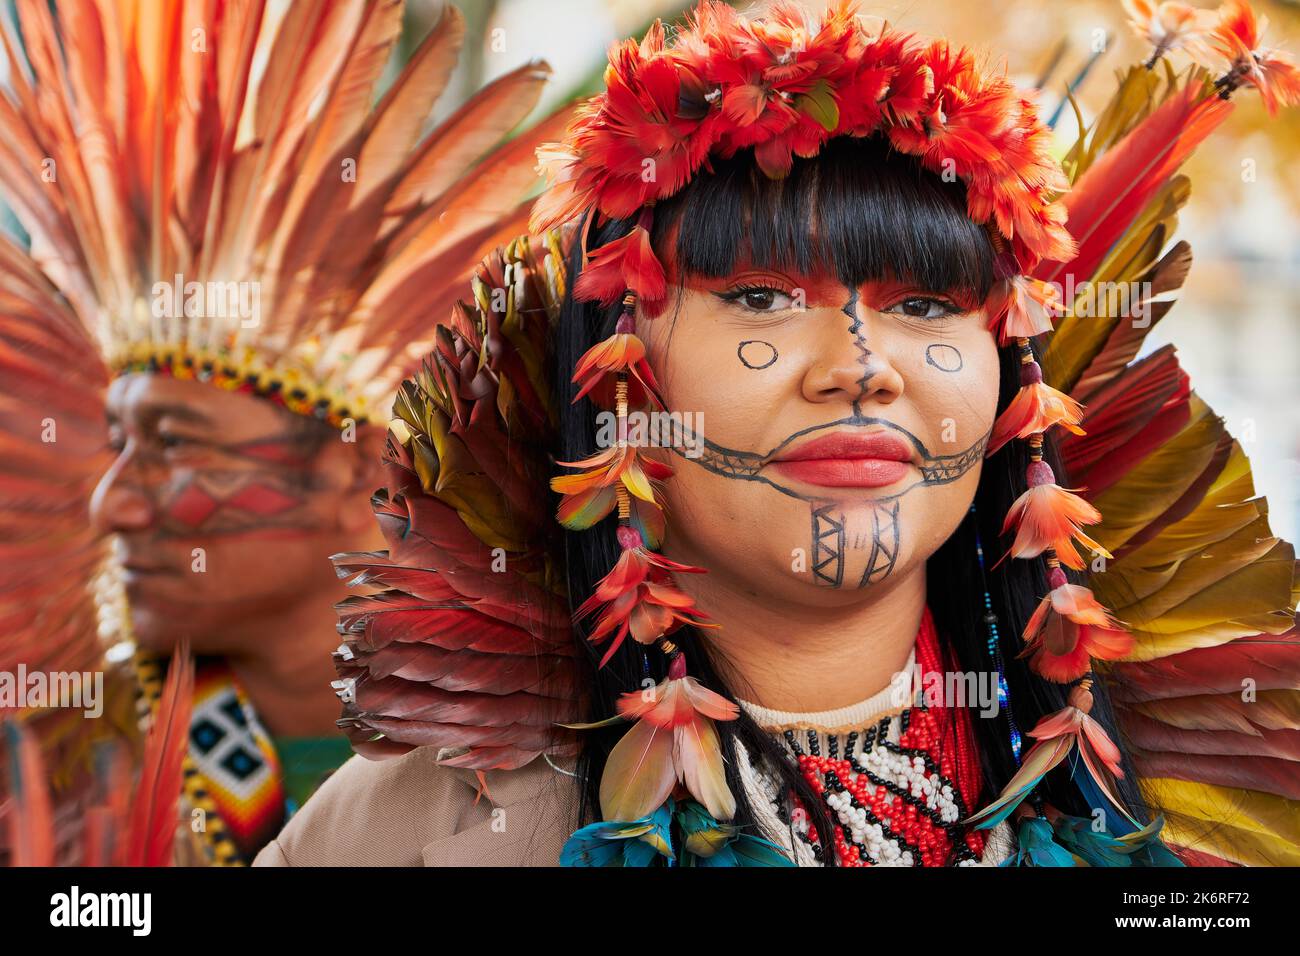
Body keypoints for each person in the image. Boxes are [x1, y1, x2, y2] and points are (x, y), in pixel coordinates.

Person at [257, 0, 1299, 867]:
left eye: (929, 308)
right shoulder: (400, 833)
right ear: (618, 376)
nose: (858, 363)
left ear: (1014, 387)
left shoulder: (1166, 787)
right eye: (758, 295)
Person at [0, 0, 564, 865]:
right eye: (118, 445)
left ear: (348, 468)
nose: (111, 507)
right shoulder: (49, 770)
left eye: (174, 444)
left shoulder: (551, 772)